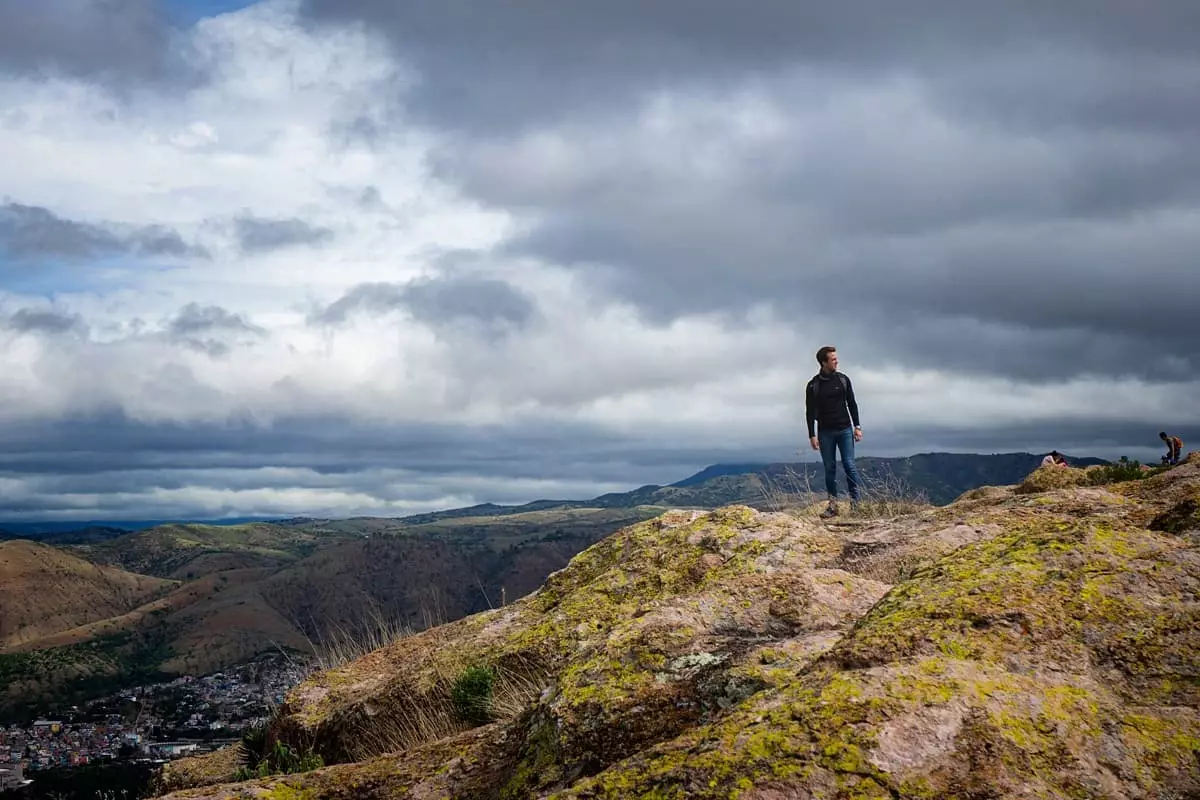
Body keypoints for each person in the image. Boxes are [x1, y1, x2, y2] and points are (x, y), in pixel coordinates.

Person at [805, 345, 862, 518]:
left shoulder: (843, 380)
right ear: (824, 362)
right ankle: (833, 506)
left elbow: (852, 403)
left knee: (849, 466)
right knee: (829, 469)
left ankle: (856, 505)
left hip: (844, 429)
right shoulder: (813, 385)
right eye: (833, 359)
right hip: (825, 433)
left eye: (836, 358)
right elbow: (809, 412)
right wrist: (812, 435)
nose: (837, 361)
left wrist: (857, 426)